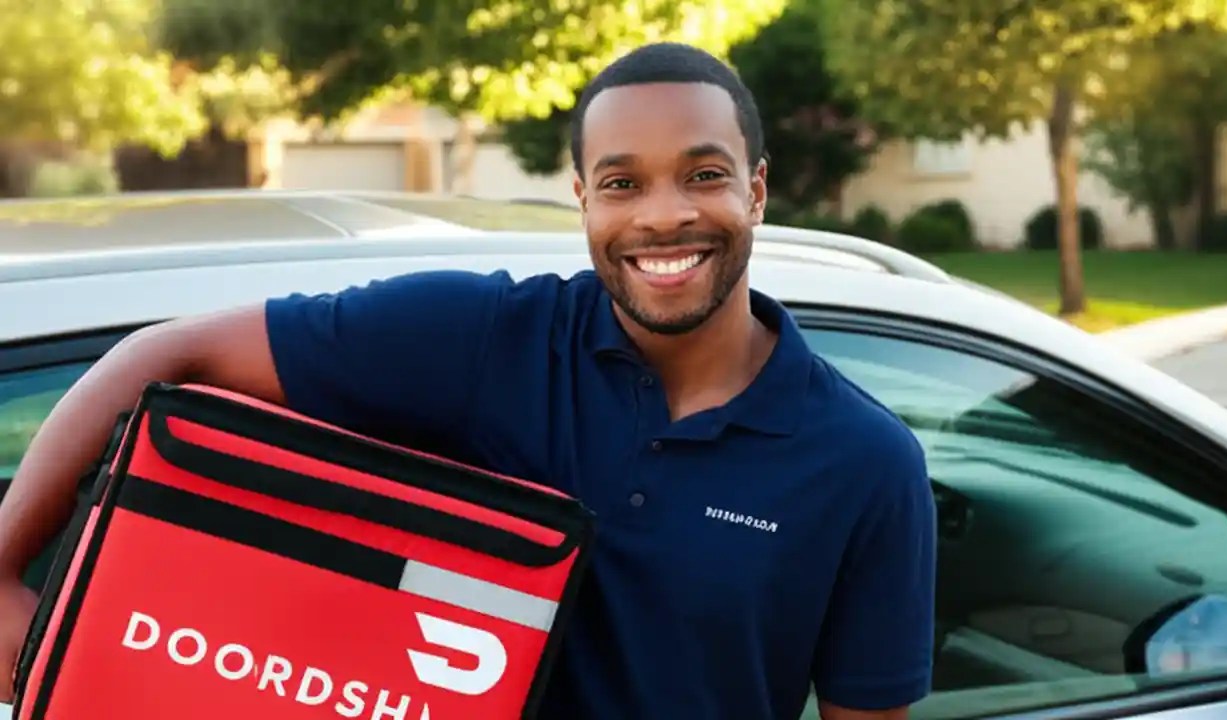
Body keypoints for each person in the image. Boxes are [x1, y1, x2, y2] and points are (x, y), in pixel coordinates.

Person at [0, 43, 936, 719]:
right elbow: (167, 355)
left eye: (703, 175)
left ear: (757, 191)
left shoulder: (864, 464)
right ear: (580, 198)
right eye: (622, 184)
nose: (665, 216)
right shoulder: (482, 336)